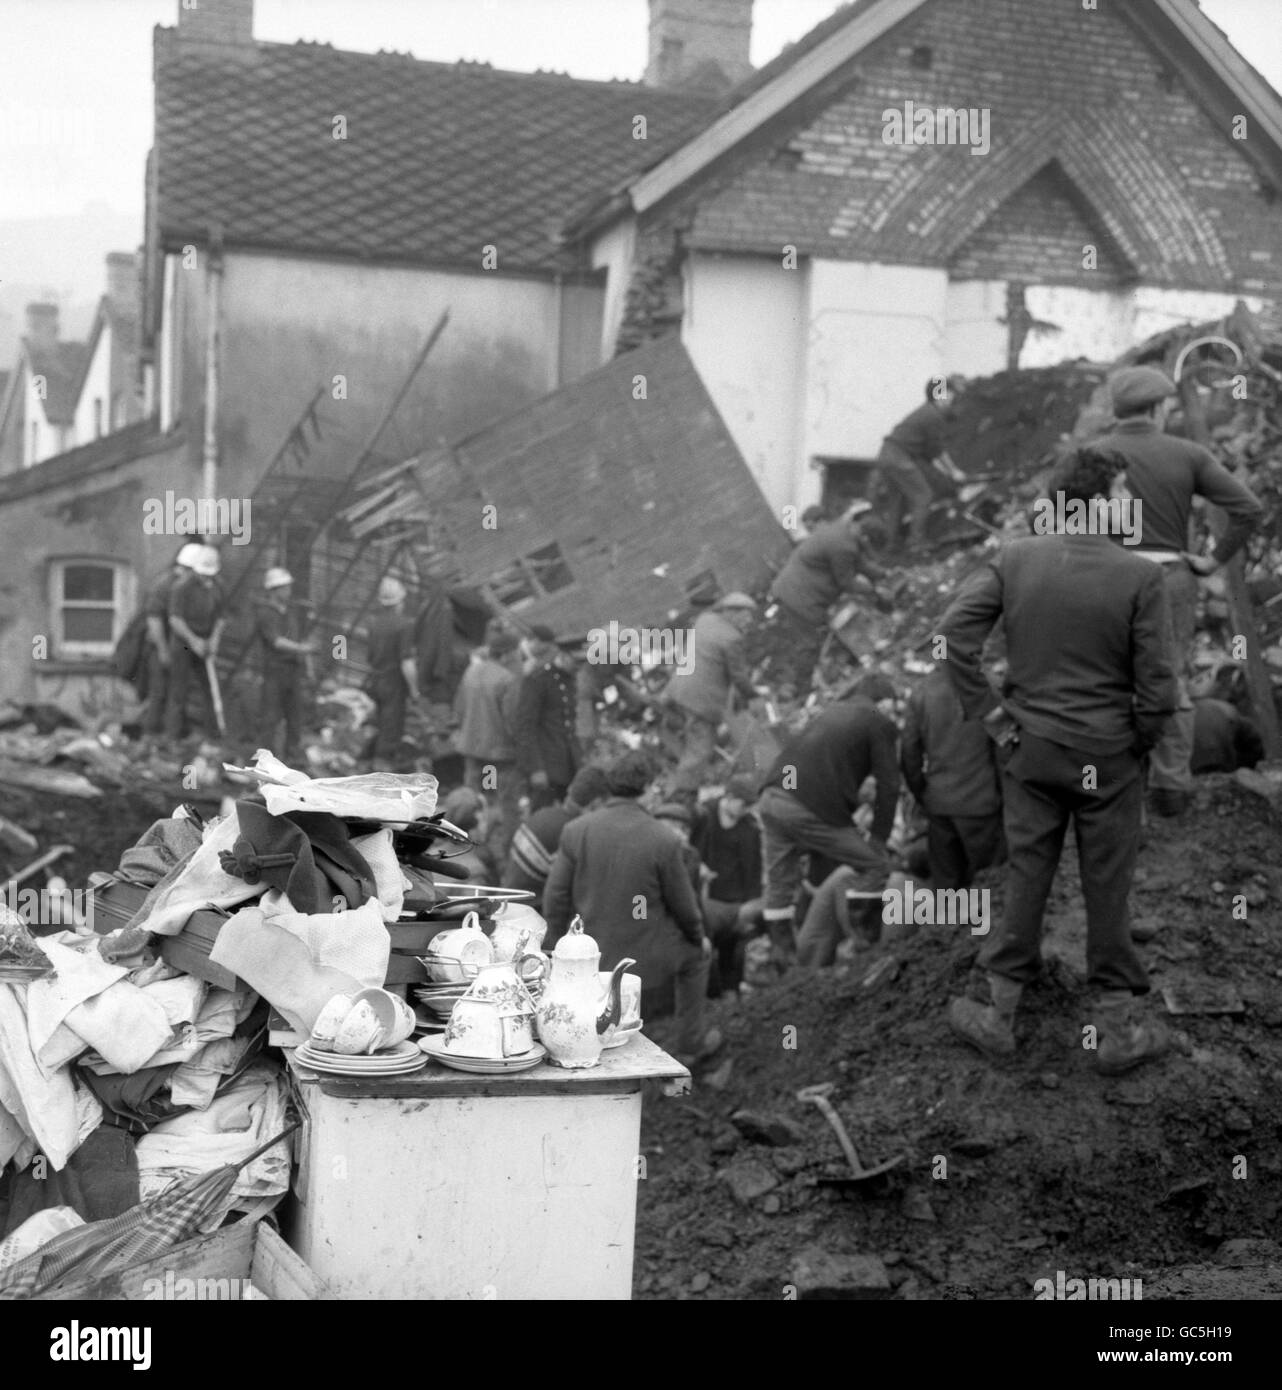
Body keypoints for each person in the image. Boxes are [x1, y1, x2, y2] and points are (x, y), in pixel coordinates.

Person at [938, 444, 1178, 1074]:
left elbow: (952, 640)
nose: (1132, 503)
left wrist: (993, 718)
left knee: (1028, 871)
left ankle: (998, 1013)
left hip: (1031, 751)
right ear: (1098, 502)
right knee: (1108, 881)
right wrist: (1138, 741)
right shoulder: (1140, 576)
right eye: (1124, 492)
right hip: (1109, 756)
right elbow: (1160, 688)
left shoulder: (1016, 558)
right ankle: (1116, 1030)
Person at [1093, 365, 1264, 816]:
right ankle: (1170, 787)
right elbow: (1248, 508)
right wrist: (1211, 560)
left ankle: (1110, 787)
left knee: (1109, 679)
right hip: (1170, 578)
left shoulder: (1090, 454)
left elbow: (1044, 522)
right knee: (1169, 678)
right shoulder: (1187, 454)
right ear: (1157, 407)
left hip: (1105, 580)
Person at [543, 751, 720, 1067]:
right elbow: (686, 908)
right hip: (645, 960)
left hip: (590, 955)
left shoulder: (576, 830)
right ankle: (691, 1043)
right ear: (648, 787)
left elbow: (555, 899)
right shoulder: (663, 838)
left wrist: (556, 950)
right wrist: (698, 937)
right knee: (698, 957)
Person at [757, 671, 900, 969]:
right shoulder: (878, 721)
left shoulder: (829, 712)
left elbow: (822, 764)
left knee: (780, 881)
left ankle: (785, 962)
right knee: (875, 864)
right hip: (806, 804)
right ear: (883, 701)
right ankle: (865, 944)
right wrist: (878, 839)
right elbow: (890, 785)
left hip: (772, 797)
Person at [900, 663, 1004, 890]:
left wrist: (922, 794)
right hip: (981, 804)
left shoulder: (921, 691)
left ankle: (948, 925)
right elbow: (1003, 747)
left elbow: (909, 752)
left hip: (939, 805)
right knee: (992, 883)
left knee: (948, 887)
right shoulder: (987, 685)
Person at [766, 502, 886, 694]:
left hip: (795, 590)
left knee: (824, 632)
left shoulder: (842, 532)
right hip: (799, 597)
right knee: (811, 642)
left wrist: (883, 575)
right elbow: (846, 582)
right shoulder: (843, 546)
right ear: (864, 535)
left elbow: (860, 563)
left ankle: (843, 663)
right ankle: (799, 689)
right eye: (867, 543)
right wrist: (872, 592)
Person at [662, 592, 759, 791]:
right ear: (732, 613)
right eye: (746, 615)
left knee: (692, 742)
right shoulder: (732, 638)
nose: (749, 620)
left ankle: (687, 782)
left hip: (676, 690)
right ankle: (681, 795)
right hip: (698, 700)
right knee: (700, 751)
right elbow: (738, 677)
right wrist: (754, 695)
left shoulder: (705, 620)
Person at [691, 774, 764, 996]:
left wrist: (751, 903)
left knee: (731, 950)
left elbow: (753, 870)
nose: (746, 810)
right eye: (744, 804)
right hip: (704, 896)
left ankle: (730, 991)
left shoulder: (749, 828)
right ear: (729, 797)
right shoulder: (704, 815)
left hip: (734, 899)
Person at [876, 375, 967, 553]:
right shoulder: (933, 416)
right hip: (898, 457)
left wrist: (945, 472)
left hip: (887, 454)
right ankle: (916, 542)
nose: (952, 398)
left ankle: (891, 543)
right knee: (923, 496)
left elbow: (928, 453)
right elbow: (936, 449)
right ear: (941, 396)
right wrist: (954, 471)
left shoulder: (924, 412)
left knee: (897, 500)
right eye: (949, 394)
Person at [454, 627, 522, 863]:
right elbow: (512, 721)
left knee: (470, 800)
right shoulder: (507, 679)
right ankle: (503, 856)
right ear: (508, 653)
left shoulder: (471, 672)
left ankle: (466, 849)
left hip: (472, 750)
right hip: (499, 755)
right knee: (503, 804)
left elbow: (460, 710)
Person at [503, 765, 609, 896]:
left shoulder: (542, 814)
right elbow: (568, 890)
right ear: (596, 804)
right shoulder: (571, 833)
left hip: (509, 902)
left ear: (571, 789)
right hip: (531, 909)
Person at [164, 544, 227, 744]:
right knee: (179, 691)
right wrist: (194, 641)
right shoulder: (181, 587)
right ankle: (173, 737)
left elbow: (221, 617)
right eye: (203, 574)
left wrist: (214, 640)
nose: (206, 578)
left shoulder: (218, 586)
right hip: (184, 641)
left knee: (210, 688)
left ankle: (214, 736)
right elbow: (175, 619)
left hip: (206, 640)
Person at [252, 567, 315, 766]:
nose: (288, 591)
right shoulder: (266, 614)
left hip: (293, 671)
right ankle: (264, 760)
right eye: (285, 588)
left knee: (295, 716)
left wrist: (307, 664)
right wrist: (301, 649)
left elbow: (298, 638)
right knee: (270, 716)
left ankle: (293, 757)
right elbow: (277, 641)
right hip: (275, 671)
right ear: (274, 590)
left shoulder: (290, 613)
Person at [514, 628, 581, 809]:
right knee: (541, 814)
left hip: (567, 761)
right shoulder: (538, 680)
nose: (576, 667)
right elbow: (525, 726)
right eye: (574, 661)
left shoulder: (566, 680)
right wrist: (536, 768)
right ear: (564, 656)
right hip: (545, 764)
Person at [142, 543, 201, 739]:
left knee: (178, 694)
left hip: (179, 648)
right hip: (162, 646)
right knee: (159, 693)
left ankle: (172, 736)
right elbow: (154, 619)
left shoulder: (187, 587)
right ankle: (150, 735)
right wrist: (163, 650)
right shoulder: (164, 585)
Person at [364, 576, 420, 771]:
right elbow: (406, 662)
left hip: (376, 679)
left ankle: (373, 763)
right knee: (391, 728)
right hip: (393, 681)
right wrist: (414, 690)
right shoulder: (405, 625)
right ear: (399, 602)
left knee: (381, 723)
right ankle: (381, 772)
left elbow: (370, 656)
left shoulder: (373, 622)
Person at [1192, 697, 1264, 774]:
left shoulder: (1199, 706)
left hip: (1195, 742)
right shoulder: (1233, 714)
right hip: (1219, 731)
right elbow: (1254, 744)